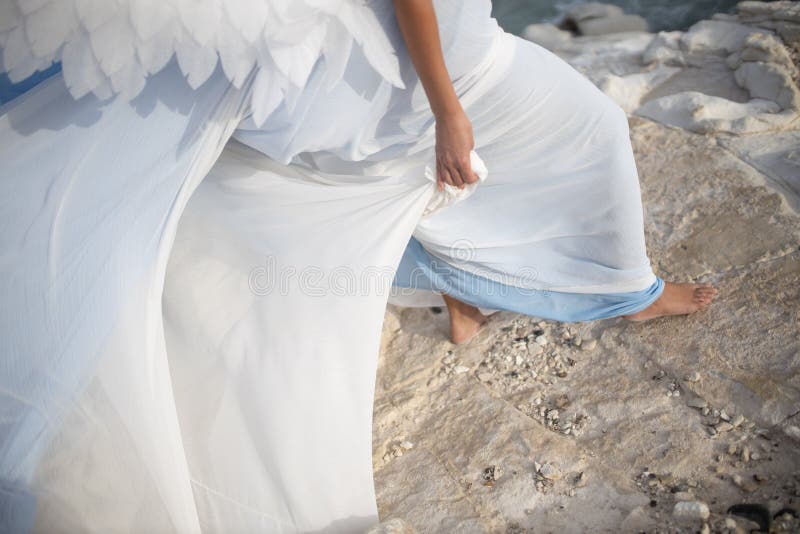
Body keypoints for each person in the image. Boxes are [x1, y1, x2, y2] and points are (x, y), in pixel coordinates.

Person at [0, 0, 715, 532]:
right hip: (416, 72)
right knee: (593, 127)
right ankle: (630, 292)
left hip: (359, 64)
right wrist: (447, 109)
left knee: (412, 174)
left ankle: (461, 303)